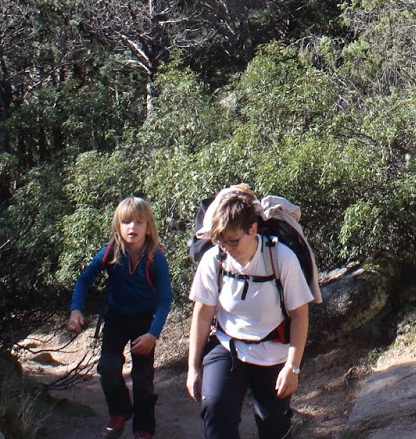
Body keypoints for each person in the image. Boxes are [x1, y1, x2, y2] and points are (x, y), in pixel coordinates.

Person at [186, 186, 312, 439]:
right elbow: (202, 314)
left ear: (252, 230)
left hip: (272, 351)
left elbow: (299, 315)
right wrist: (193, 368)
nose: (227, 247)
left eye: (233, 240)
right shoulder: (215, 259)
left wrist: (293, 367)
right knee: (215, 413)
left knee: (273, 426)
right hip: (227, 345)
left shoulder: (281, 258)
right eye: (221, 240)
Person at [69, 196, 174, 439]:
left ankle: (143, 429)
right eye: (126, 222)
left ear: (148, 227)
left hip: (144, 322)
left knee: (143, 380)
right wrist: (76, 309)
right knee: (108, 368)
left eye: (139, 222)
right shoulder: (110, 252)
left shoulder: (155, 258)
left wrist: (152, 334)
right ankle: (119, 412)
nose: (132, 227)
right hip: (116, 318)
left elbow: (164, 299)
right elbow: (84, 279)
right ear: (117, 225)